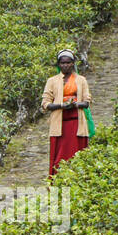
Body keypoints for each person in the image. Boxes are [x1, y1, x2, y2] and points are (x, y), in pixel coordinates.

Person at [43, 49, 93, 177]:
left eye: (68, 62)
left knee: (76, 154)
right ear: (59, 64)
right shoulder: (52, 81)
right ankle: (58, 181)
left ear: (73, 63)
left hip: (77, 123)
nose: (65, 65)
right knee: (59, 156)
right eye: (62, 63)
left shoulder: (81, 80)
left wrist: (75, 104)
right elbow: (46, 103)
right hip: (59, 124)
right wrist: (61, 106)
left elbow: (87, 101)